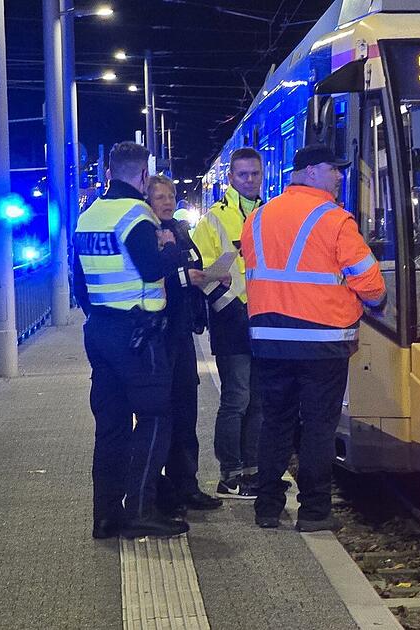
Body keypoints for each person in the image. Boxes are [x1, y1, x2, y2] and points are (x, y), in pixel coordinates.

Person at [244, 145, 386, 532]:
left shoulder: (257, 217)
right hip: (321, 341)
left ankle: (267, 508)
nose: (339, 176)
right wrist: (377, 301)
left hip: (269, 339)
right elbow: (368, 282)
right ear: (308, 172)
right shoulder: (335, 220)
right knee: (319, 427)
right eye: (332, 169)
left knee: (274, 422)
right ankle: (314, 512)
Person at [73, 142, 187, 539]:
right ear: (142, 176)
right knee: (156, 417)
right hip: (138, 335)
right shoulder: (137, 214)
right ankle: (140, 508)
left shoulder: (88, 216)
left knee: (111, 427)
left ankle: (105, 516)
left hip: (100, 331)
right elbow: (152, 269)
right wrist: (171, 250)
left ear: (109, 171)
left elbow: (79, 283)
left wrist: (100, 316)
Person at [146, 175, 223, 516]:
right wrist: (183, 277)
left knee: (186, 412)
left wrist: (210, 275)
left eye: (170, 195)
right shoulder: (144, 232)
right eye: (159, 196)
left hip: (182, 332)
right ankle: (162, 491)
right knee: (163, 415)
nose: (166, 202)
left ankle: (187, 485)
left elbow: (192, 264)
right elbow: (150, 277)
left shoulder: (179, 229)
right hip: (159, 335)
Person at [192, 148, 266, 499]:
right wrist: (230, 306)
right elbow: (204, 275)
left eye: (254, 174)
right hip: (233, 320)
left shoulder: (270, 214)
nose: (249, 180)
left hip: (267, 319)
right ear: (230, 178)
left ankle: (252, 470)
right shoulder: (213, 220)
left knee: (260, 400)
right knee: (237, 398)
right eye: (242, 175)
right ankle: (229, 473)